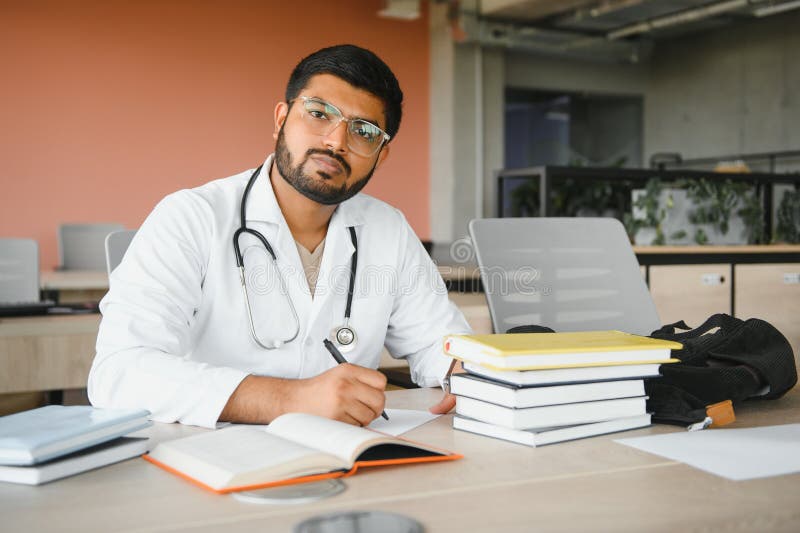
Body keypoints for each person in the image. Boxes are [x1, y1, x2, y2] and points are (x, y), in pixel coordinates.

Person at [88, 44, 471, 429]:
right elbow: (119, 371)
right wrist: (289, 399)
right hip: (210, 450)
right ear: (281, 119)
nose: (337, 141)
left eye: (364, 131)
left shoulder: (388, 229)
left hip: (345, 451)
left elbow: (441, 343)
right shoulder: (191, 216)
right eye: (319, 113)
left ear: (380, 156)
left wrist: (466, 370)